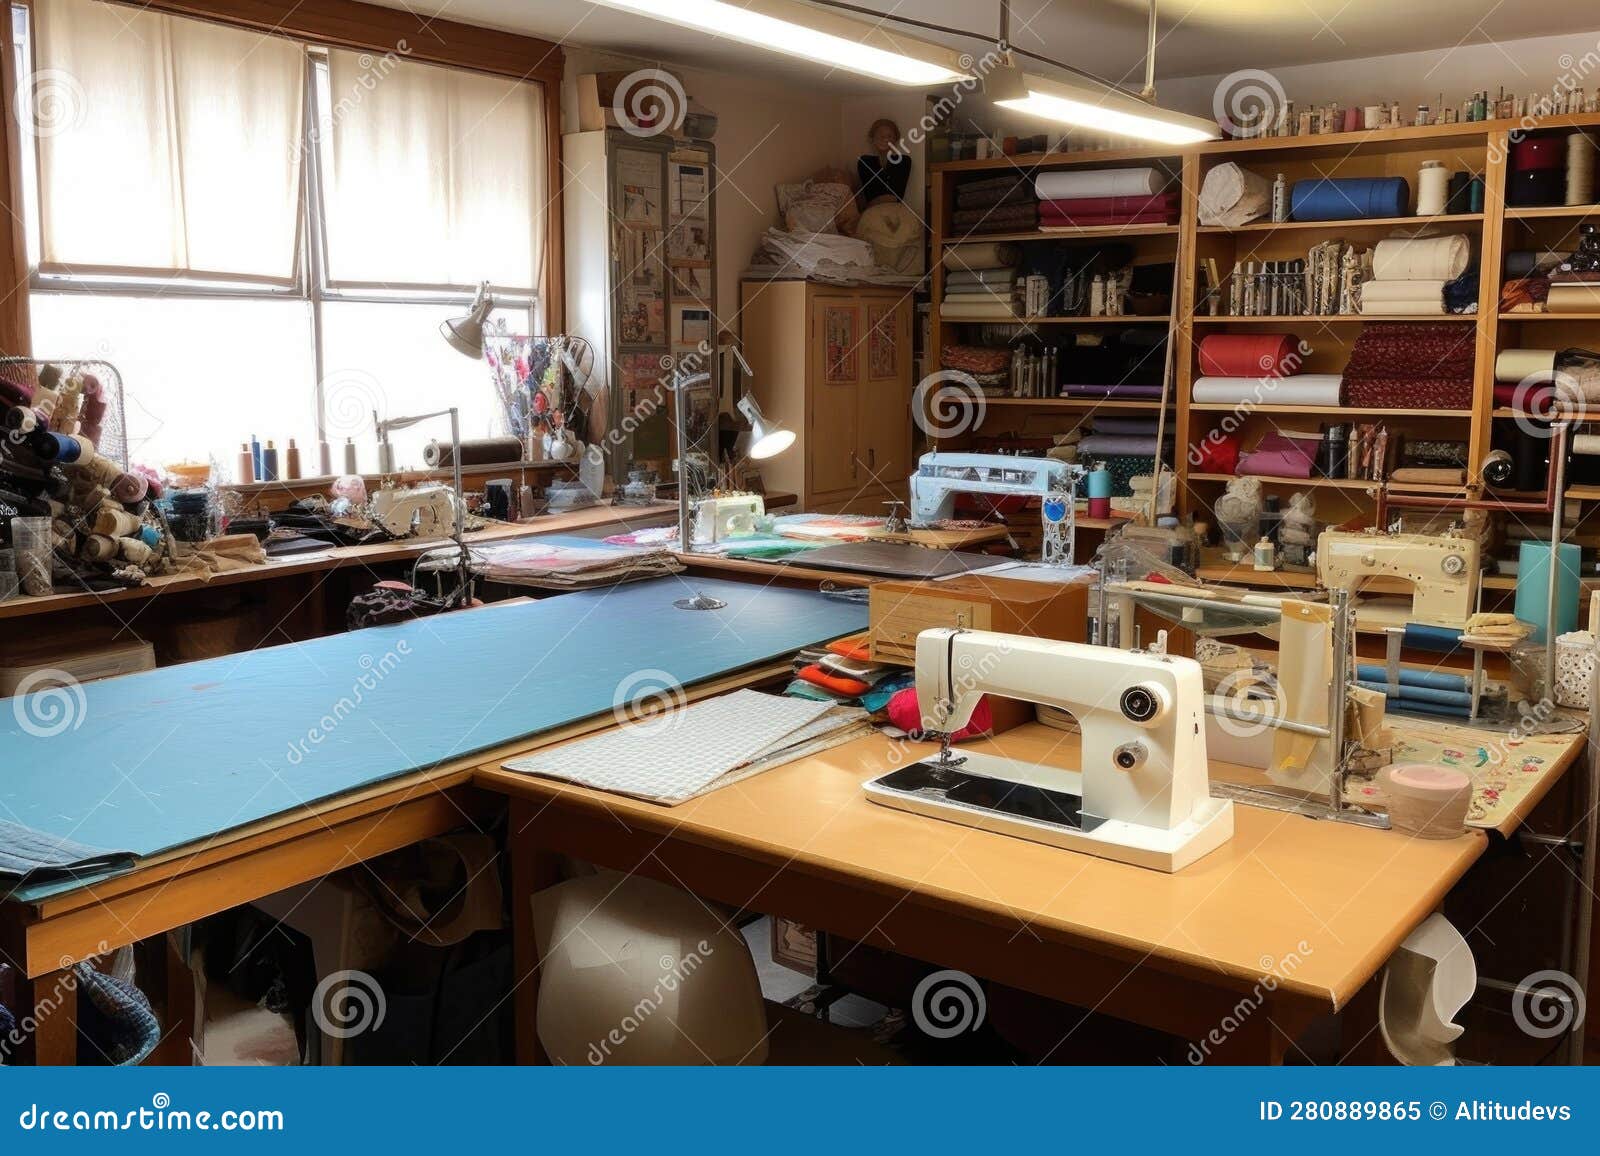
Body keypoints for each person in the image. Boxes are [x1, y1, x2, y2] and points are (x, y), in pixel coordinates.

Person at [857, 118, 910, 208]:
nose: (885, 139)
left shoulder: (904, 161)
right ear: (872, 138)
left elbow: (896, 196)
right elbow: (870, 195)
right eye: (880, 135)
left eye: (889, 136)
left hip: (895, 210)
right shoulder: (864, 161)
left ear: (895, 139)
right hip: (872, 212)